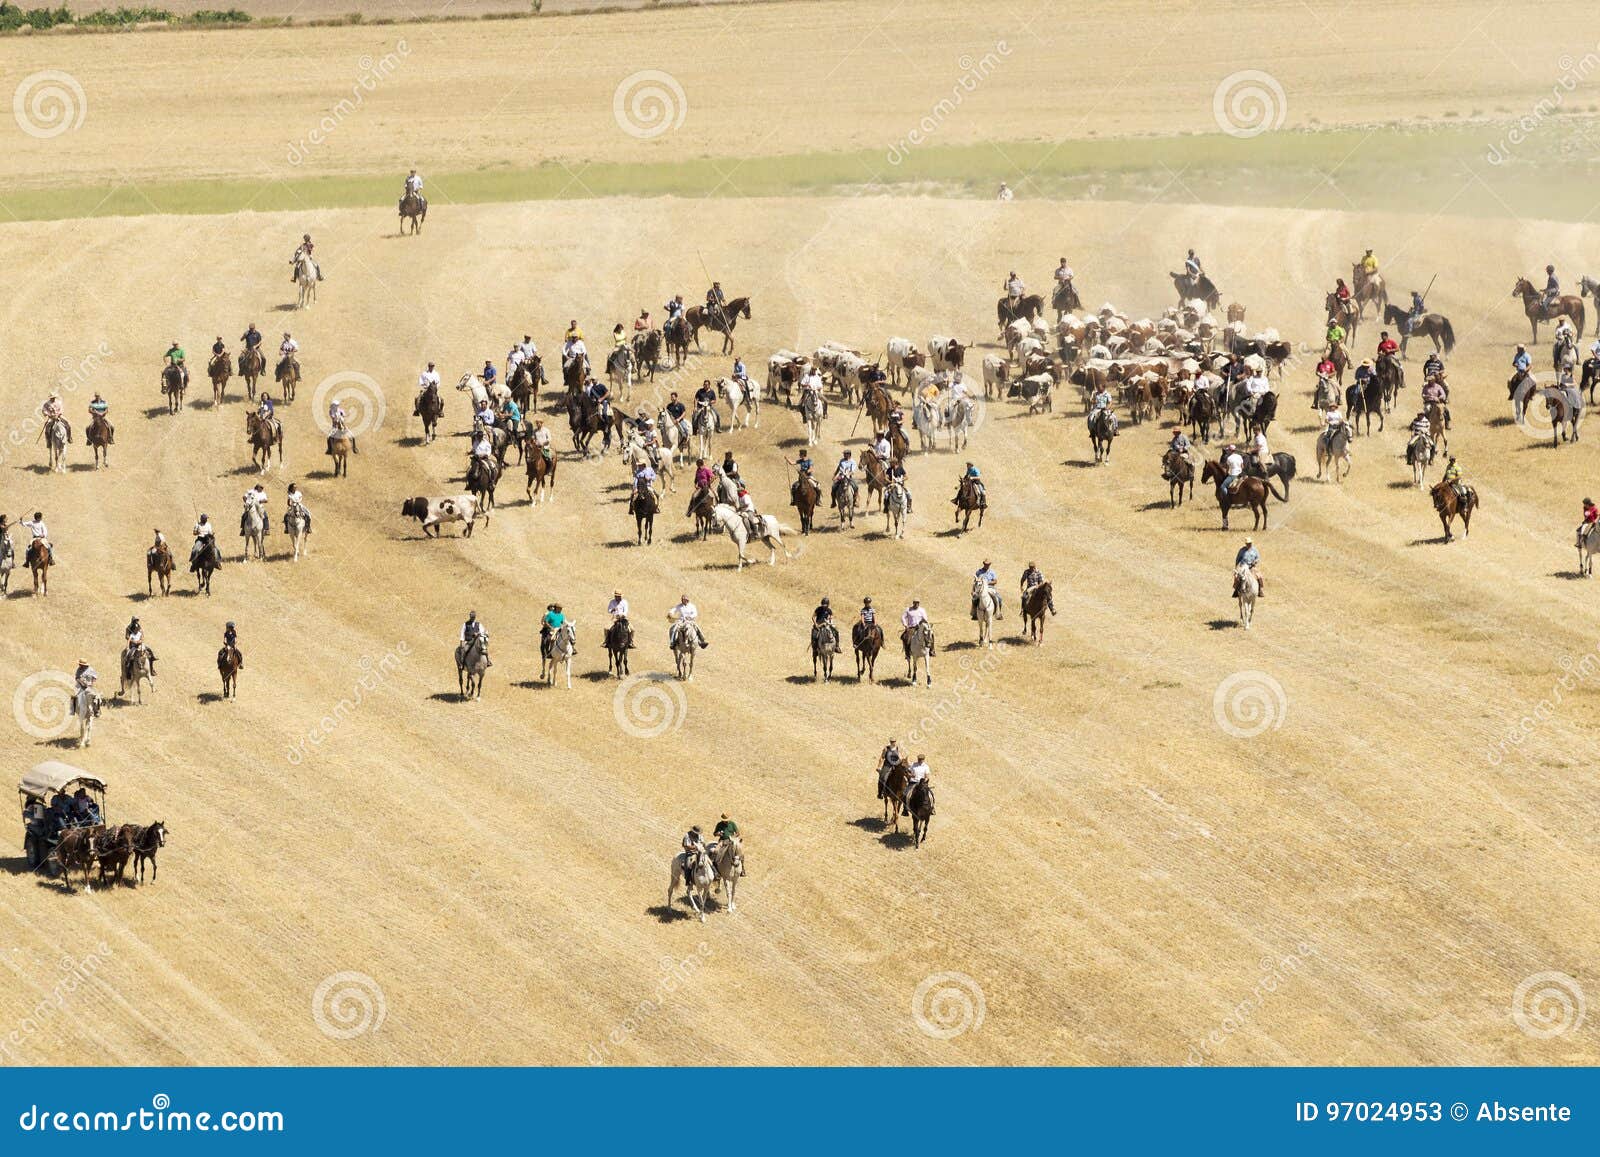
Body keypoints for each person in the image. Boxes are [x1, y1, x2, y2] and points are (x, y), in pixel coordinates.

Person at [124, 615, 157, 679]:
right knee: (129, 656)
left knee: (149, 651)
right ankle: (129, 672)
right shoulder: (128, 627)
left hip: (139, 644)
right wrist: (133, 641)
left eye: (137, 620)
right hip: (132, 645)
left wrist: (140, 640)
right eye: (135, 620)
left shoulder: (138, 626)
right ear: (132, 621)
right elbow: (127, 636)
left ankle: (151, 668)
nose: (136, 621)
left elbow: (142, 634)